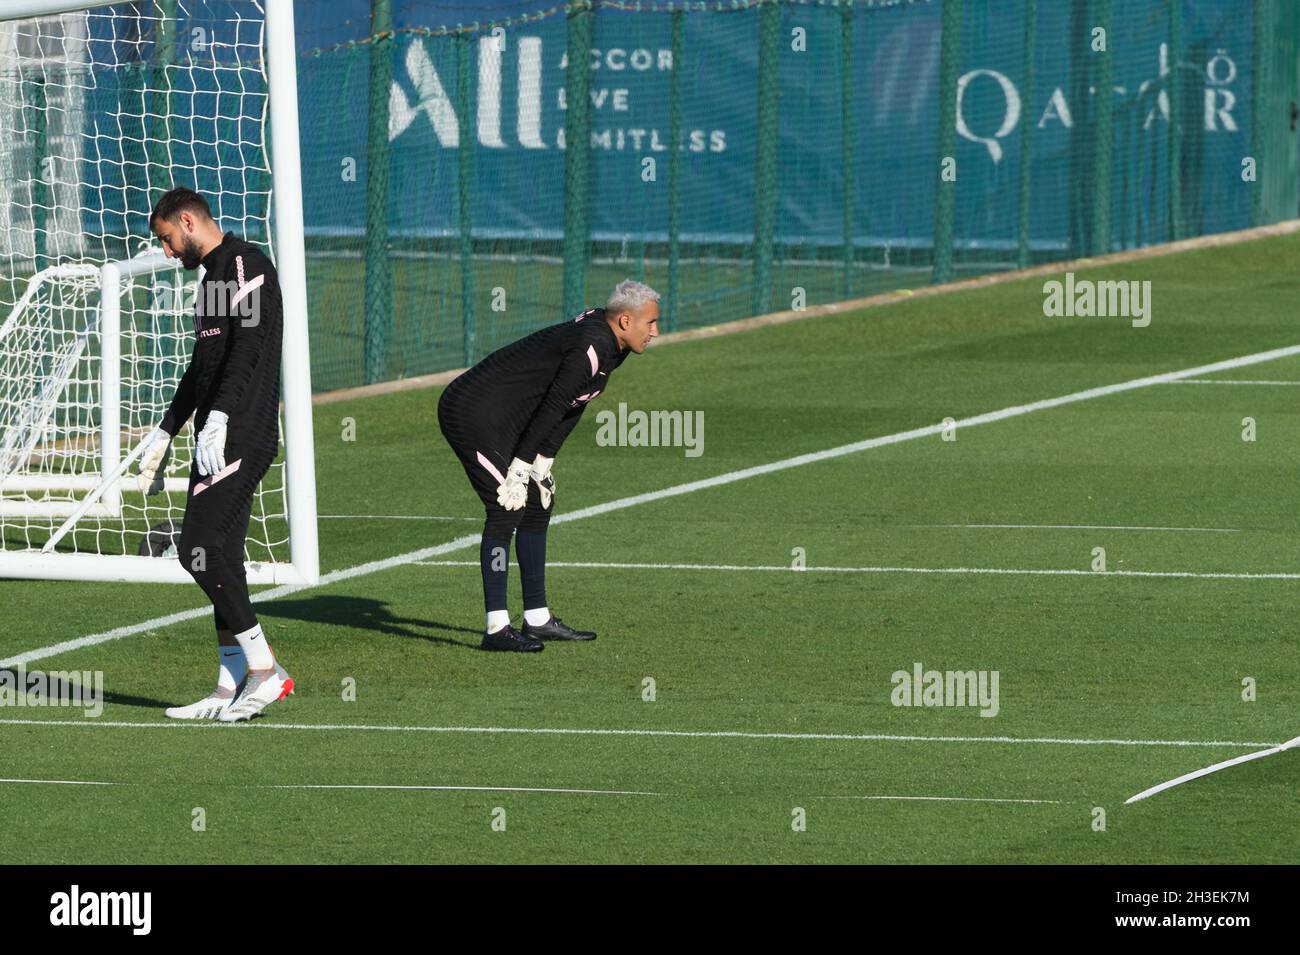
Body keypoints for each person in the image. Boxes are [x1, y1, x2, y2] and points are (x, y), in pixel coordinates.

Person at [137, 186, 293, 721]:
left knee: (196, 548)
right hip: (217, 433)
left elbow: (249, 347)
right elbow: (204, 366)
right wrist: (166, 432)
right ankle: (229, 685)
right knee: (220, 556)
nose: (166, 252)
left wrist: (222, 417)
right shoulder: (213, 278)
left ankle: (265, 669)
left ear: (187, 221)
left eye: (166, 240)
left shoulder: (247, 263)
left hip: (241, 432)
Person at [438, 280, 660, 651]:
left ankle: (537, 620)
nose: (656, 331)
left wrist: (543, 462)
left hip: (510, 416)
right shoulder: (591, 346)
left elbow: (576, 402)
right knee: (505, 505)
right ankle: (496, 628)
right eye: (650, 322)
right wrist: (521, 467)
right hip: (471, 412)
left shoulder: (614, 347)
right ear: (625, 321)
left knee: (539, 501)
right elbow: (556, 403)